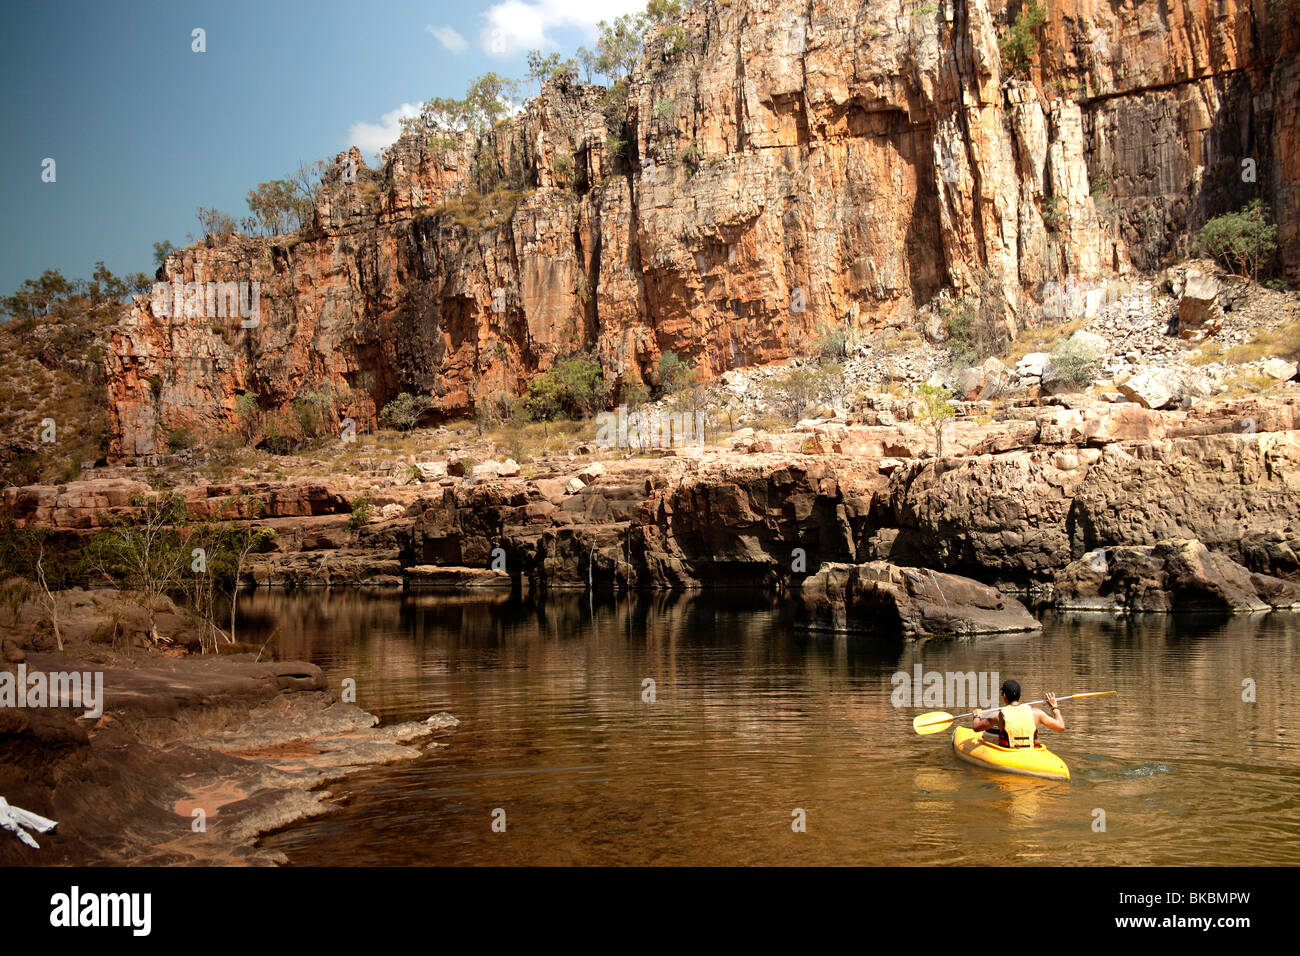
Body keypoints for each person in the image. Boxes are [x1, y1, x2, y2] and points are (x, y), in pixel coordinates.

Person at [972, 679, 1064, 749]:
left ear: (1004, 696)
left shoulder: (999, 716)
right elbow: (1060, 726)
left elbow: (976, 728)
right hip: (1032, 753)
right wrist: (1054, 707)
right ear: (1019, 695)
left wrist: (977, 716)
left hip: (1009, 753)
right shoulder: (1037, 713)